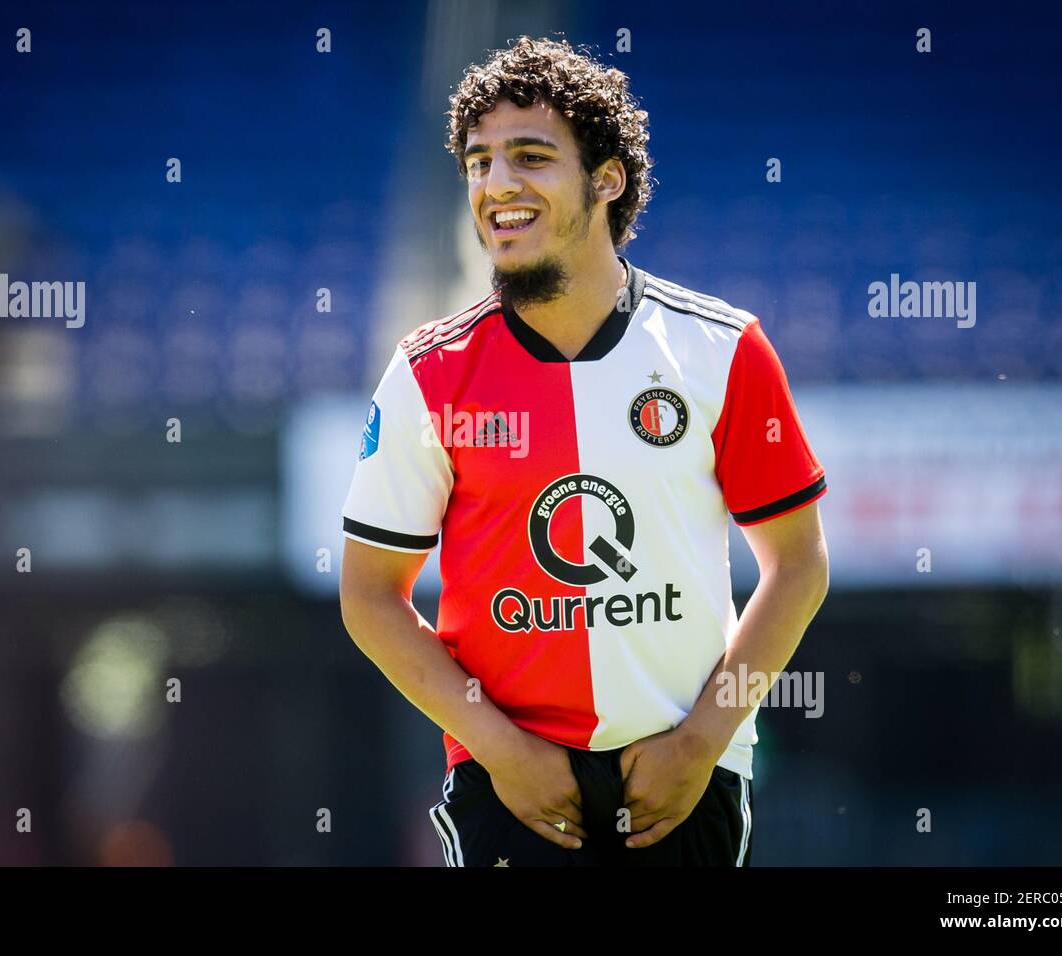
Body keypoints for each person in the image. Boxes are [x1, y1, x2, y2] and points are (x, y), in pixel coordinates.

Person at [339, 36, 829, 866]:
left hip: (685, 785)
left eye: (530, 157)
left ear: (607, 180)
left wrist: (701, 743)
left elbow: (798, 564)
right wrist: (501, 750)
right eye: (479, 163)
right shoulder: (428, 373)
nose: (497, 186)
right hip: (511, 794)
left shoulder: (722, 349)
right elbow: (370, 597)